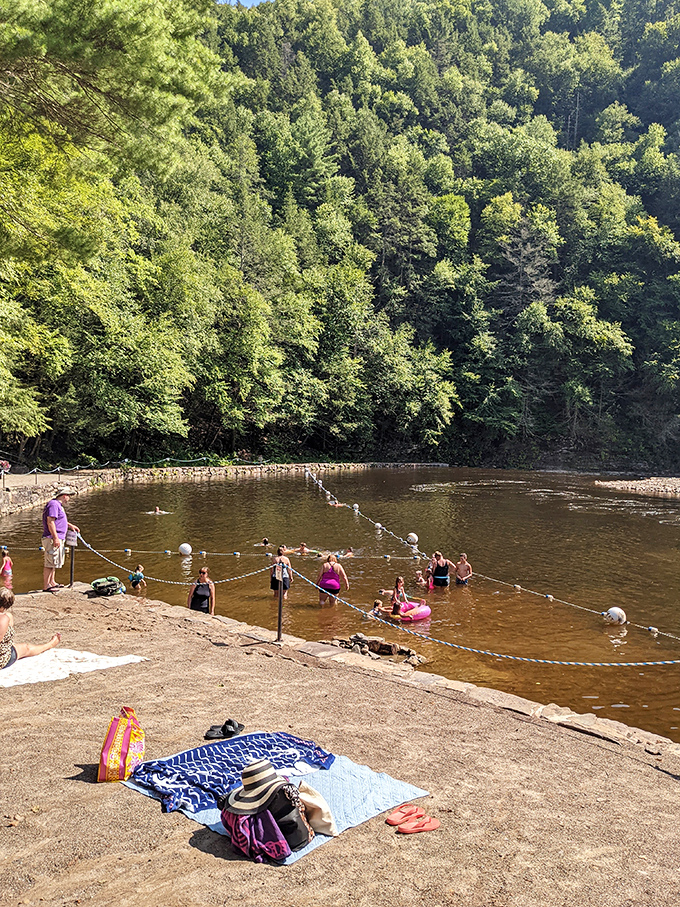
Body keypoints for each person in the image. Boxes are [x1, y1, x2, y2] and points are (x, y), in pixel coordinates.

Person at [0, 587, 61, 670]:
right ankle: (49, 645)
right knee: (26, 648)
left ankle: (8, 642)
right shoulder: (3, 619)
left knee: (9, 616)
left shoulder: (6, 617)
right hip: (2, 659)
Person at [42, 488, 79, 593]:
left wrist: (70, 525)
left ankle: (52, 582)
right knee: (50, 561)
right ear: (64, 495)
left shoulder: (58, 505)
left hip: (58, 537)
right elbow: (51, 521)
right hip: (52, 538)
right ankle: (46, 585)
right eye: (69, 496)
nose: (69, 498)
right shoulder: (53, 504)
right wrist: (55, 537)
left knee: (54, 562)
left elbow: (59, 520)